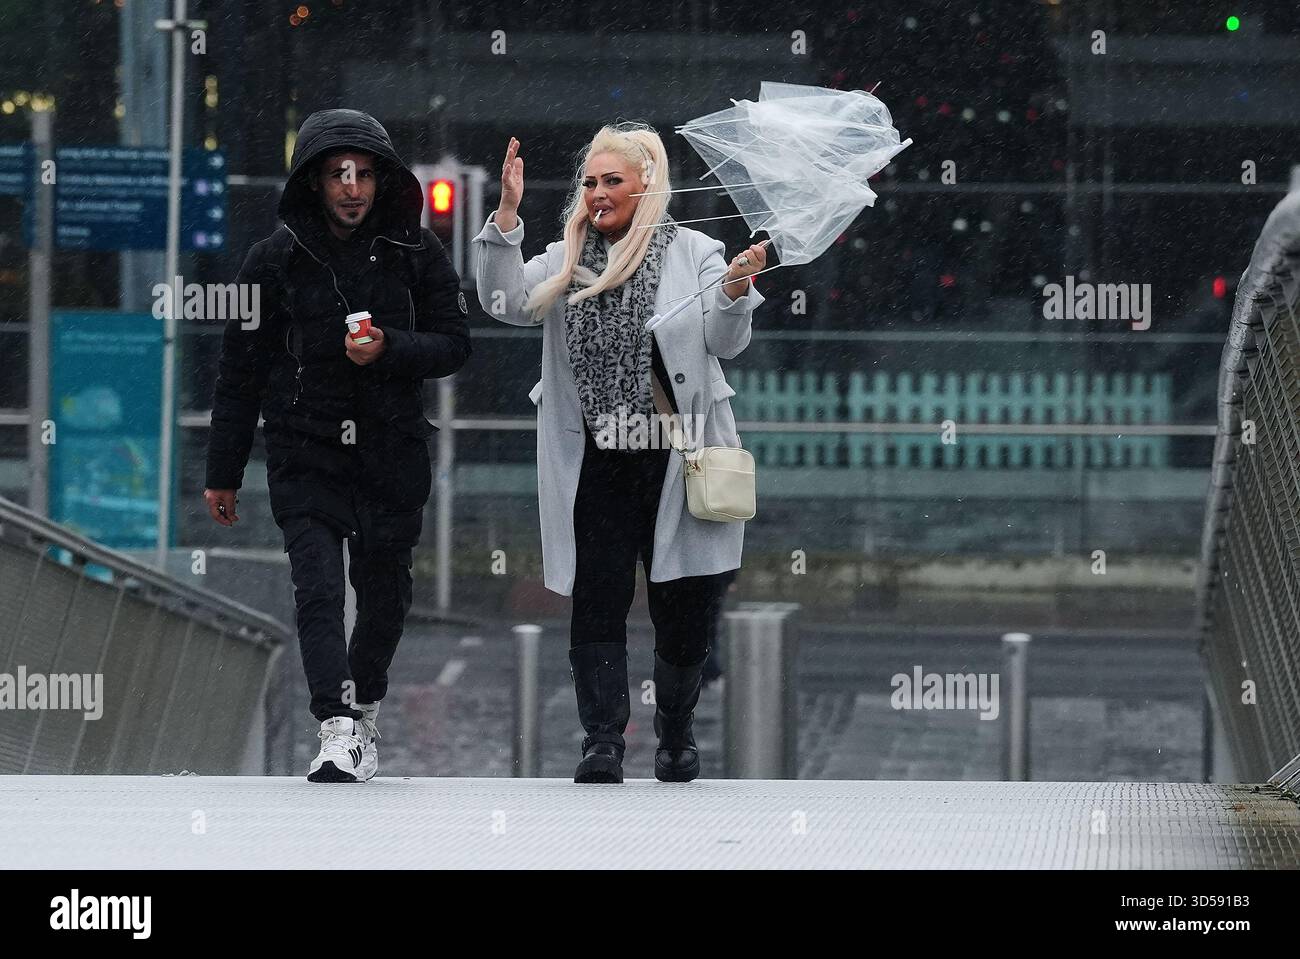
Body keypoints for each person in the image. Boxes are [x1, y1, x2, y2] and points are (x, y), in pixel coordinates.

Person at [472, 123, 765, 783]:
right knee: (597, 599)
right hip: (598, 457)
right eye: (590, 182)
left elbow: (725, 344)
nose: (597, 193)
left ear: (647, 185)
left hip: (675, 455)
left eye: (612, 181)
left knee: (683, 608)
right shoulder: (567, 255)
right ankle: (601, 738)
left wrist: (735, 291)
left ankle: (677, 734)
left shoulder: (696, 251)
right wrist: (507, 218)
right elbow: (504, 301)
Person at [203, 109, 471, 783]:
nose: (351, 187)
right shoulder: (273, 259)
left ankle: (364, 702)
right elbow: (241, 370)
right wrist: (223, 471)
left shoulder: (419, 251)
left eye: (362, 174)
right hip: (303, 446)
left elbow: (454, 344)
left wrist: (389, 346)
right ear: (314, 182)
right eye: (336, 174)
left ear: (381, 179)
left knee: (385, 595)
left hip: (391, 447)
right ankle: (338, 725)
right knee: (317, 587)